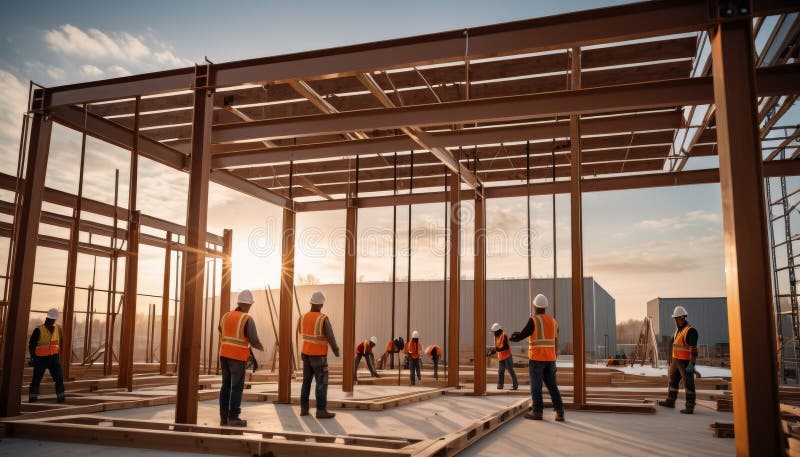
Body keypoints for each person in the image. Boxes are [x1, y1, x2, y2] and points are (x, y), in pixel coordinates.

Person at [510, 294, 565, 422]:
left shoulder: (534, 320)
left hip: (537, 358)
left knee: (536, 386)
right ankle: (560, 412)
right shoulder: (554, 322)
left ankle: (537, 412)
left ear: (534, 306)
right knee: (552, 385)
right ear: (545, 307)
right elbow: (554, 338)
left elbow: (522, 335)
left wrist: (513, 337)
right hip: (550, 359)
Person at [218, 290, 264, 427]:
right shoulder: (247, 319)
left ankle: (224, 417)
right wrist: (261, 347)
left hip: (224, 355)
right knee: (236, 387)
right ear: (249, 304)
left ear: (238, 302)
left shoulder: (226, 316)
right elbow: (254, 341)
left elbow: (221, 330)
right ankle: (233, 417)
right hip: (237, 357)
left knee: (225, 386)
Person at [298, 291, 340, 419]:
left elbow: (301, 332)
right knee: (321, 382)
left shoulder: (303, 317)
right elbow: (330, 337)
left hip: (306, 354)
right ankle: (321, 410)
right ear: (321, 304)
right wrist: (336, 350)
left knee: (306, 382)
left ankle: (304, 408)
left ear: (311, 302)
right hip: (318, 356)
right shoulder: (323, 319)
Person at [658, 306, 698, 414]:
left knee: (688, 383)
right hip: (676, 361)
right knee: (673, 381)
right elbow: (673, 345)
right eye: (678, 318)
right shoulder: (678, 331)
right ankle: (670, 401)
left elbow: (694, 351)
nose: (680, 319)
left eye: (682, 317)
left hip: (685, 362)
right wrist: (670, 359)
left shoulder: (690, 331)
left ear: (684, 317)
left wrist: (692, 364)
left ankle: (690, 407)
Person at [28, 308, 65, 403]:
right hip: (41, 359)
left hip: (54, 358)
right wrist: (33, 358)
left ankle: (61, 397)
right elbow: (32, 345)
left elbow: (60, 344)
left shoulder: (58, 329)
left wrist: (59, 357)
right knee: (36, 379)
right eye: (51, 319)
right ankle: (33, 397)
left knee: (59, 378)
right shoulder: (38, 329)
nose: (52, 320)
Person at [488, 323, 518, 390]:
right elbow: (497, 347)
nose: (493, 333)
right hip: (501, 357)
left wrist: (496, 350)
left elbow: (505, 347)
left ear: (498, 331)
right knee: (501, 371)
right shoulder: (496, 337)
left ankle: (515, 385)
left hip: (507, 356)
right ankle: (500, 385)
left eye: (494, 332)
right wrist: (491, 352)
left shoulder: (504, 335)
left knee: (510, 370)